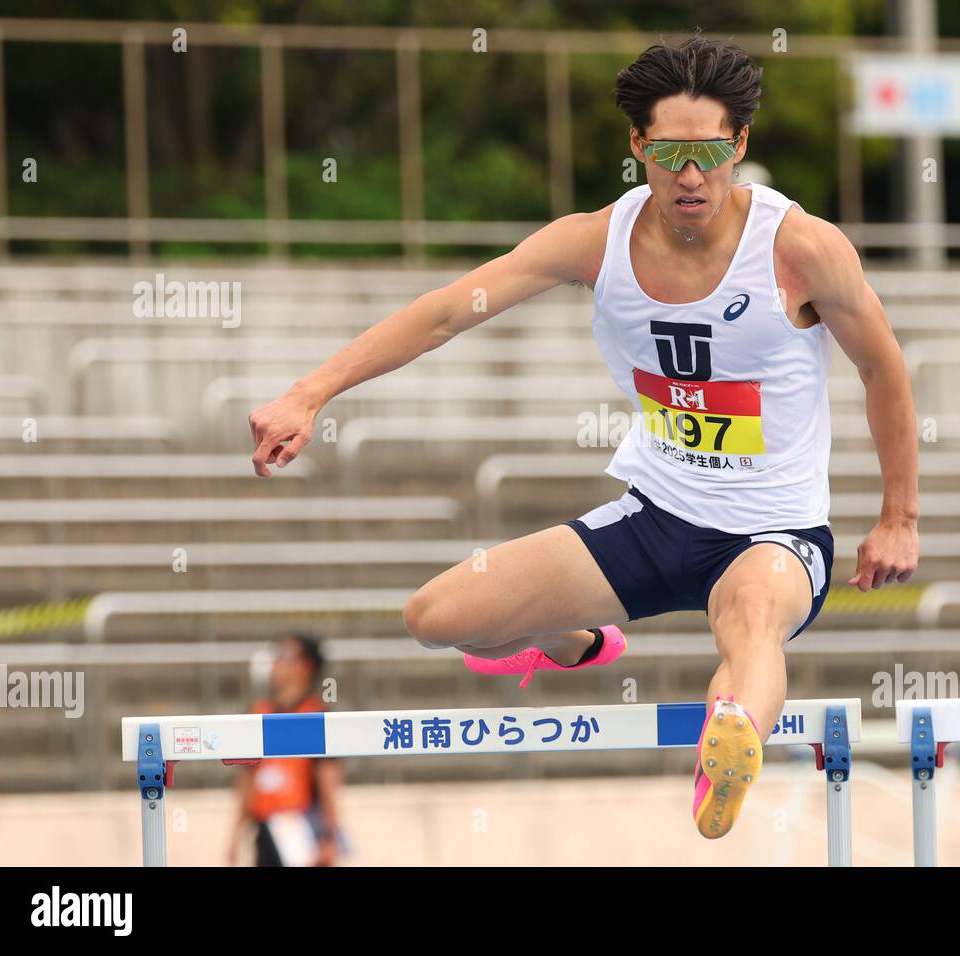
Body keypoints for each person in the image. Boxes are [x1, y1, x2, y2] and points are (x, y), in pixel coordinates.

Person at [247, 33, 919, 840]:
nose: (691, 174)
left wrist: (898, 517)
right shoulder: (595, 241)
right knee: (437, 616)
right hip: (655, 517)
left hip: (771, 533)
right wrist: (309, 391)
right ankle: (576, 643)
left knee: (748, 620)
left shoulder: (801, 249)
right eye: (669, 151)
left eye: (710, 150)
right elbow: (445, 313)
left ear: (740, 143)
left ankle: (731, 744)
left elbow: (883, 370)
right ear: (638, 145)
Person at [227, 633, 344, 865]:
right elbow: (248, 780)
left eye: (285, 656)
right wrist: (235, 836)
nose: (276, 664)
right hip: (266, 829)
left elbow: (328, 781)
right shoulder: (258, 713)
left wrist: (330, 837)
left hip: (302, 830)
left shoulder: (316, 715)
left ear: (306, 667)